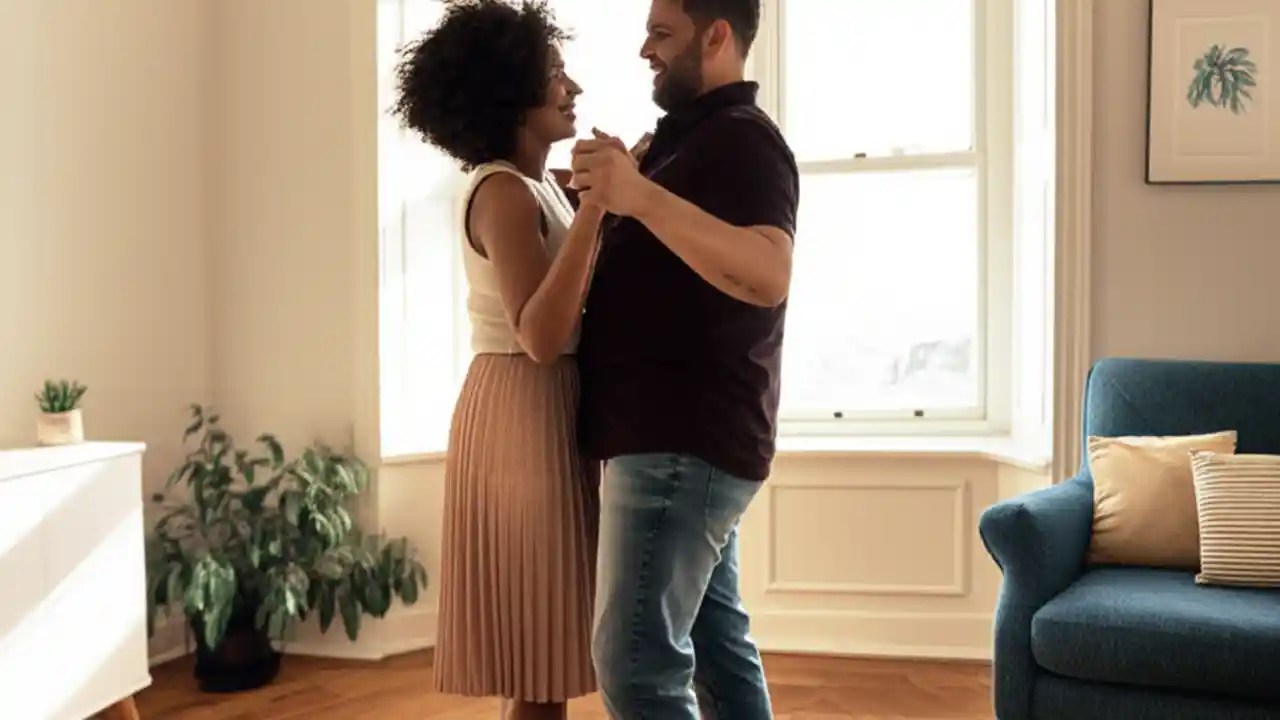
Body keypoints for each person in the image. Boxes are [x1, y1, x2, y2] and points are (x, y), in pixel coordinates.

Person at [570, 0, 799, 718]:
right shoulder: (691, 141)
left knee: (636, 668)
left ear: (718, 35)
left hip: (679, 442)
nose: (646, 50)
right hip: (677, 438)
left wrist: (637, 196)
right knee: (716, 647)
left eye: (662, 35)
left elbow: (767, 273)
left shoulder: (744, 141)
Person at [389, 2, 606, 718]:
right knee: (539, 661)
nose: (571, 87)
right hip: (523, 410)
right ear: (512, 93)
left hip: (540, 406)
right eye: (553, 75)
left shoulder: (537, 185)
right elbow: (541, 334)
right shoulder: (504, 191)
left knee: (545, 658)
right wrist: (599, 213)